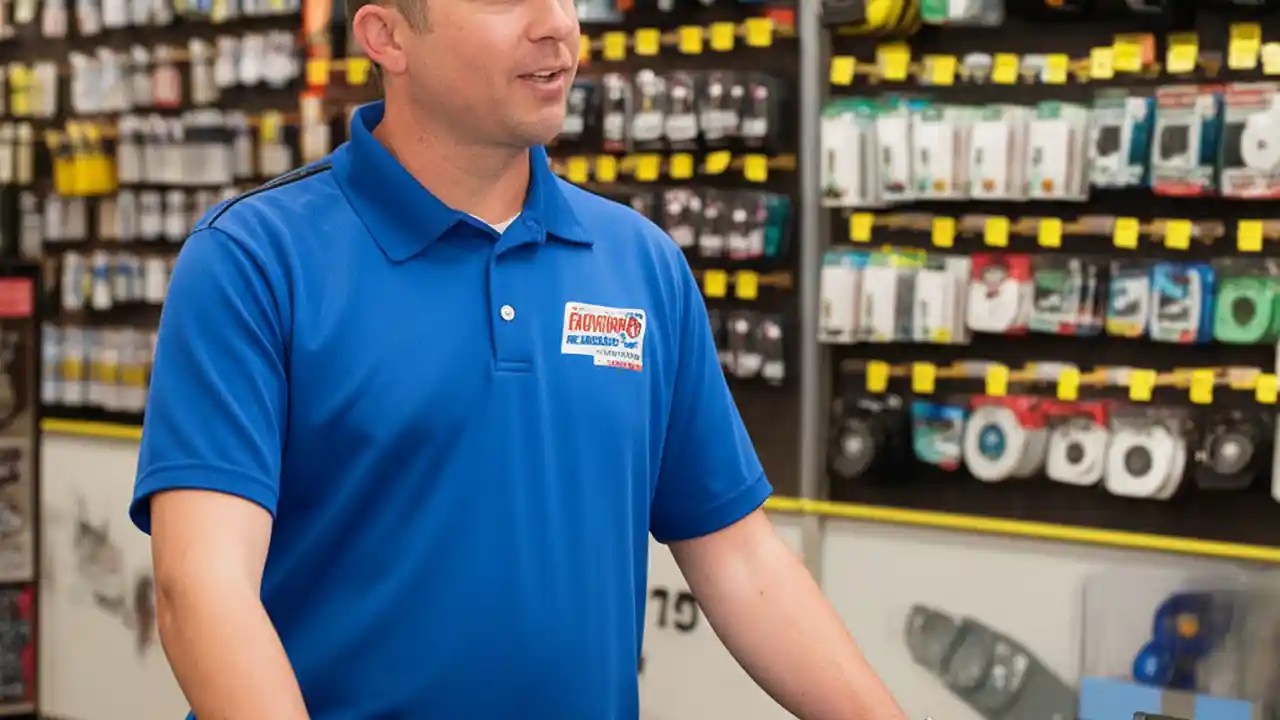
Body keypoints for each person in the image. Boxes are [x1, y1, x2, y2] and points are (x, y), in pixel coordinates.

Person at [128, 0, 909, 714]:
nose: (556, 25)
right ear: (386, 37)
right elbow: (201, 591)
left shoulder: (639, 263)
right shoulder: (254, 260)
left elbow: (743, 564)